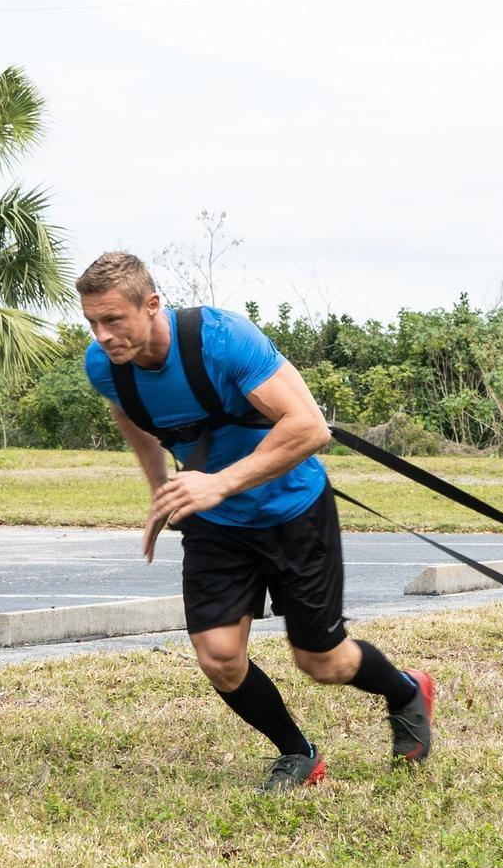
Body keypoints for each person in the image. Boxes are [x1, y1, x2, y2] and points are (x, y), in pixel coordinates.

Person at [76, 251, 433, 790]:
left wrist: (217, 483)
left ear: (151, 305)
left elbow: (310, 428)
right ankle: (298, 753)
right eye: (92, 323)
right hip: (215, 522)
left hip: (292, 510)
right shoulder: (105, 365)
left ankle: (406, 691)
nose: (102, 335)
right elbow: (133, 418)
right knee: (219, 658)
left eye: (112, 319)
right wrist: (160, 492)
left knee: (323, 662)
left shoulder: (222, 340)